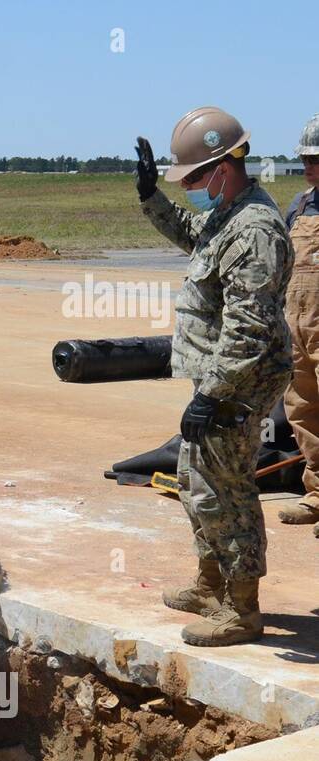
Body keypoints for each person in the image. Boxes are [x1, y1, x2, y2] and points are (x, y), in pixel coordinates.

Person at [134, 107, 294, 647]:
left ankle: (242, 608)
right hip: (217, 379)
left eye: (195, 178)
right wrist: (152, 196)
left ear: (224, 168)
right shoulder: (227, 212)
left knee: (228, 491)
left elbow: (250, 328)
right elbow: (189, 232)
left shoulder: (254, 230)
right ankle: (211, 584)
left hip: (238, 384)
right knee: (196, 482)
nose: (193, 188)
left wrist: (216, 393)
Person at [278, 113, 319, 529]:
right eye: (306, 157)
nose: (308, 165)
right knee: (303, 413)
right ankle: (317, 495)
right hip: (298, 331)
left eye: (316, 158)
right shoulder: (300, 205)